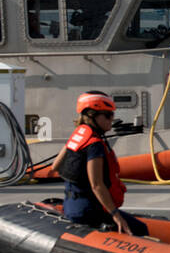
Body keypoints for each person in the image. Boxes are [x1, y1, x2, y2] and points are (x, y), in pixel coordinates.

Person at [53, 91, 147, 236]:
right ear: (92, 115)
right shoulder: (94, 145)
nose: (112, 119)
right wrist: (116, 215)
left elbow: (55, 166)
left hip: (71, 206)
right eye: (107, 115)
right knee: (141, 229)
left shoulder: (79, 135)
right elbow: (96, 185)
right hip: (88, 210)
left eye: (112, 115)